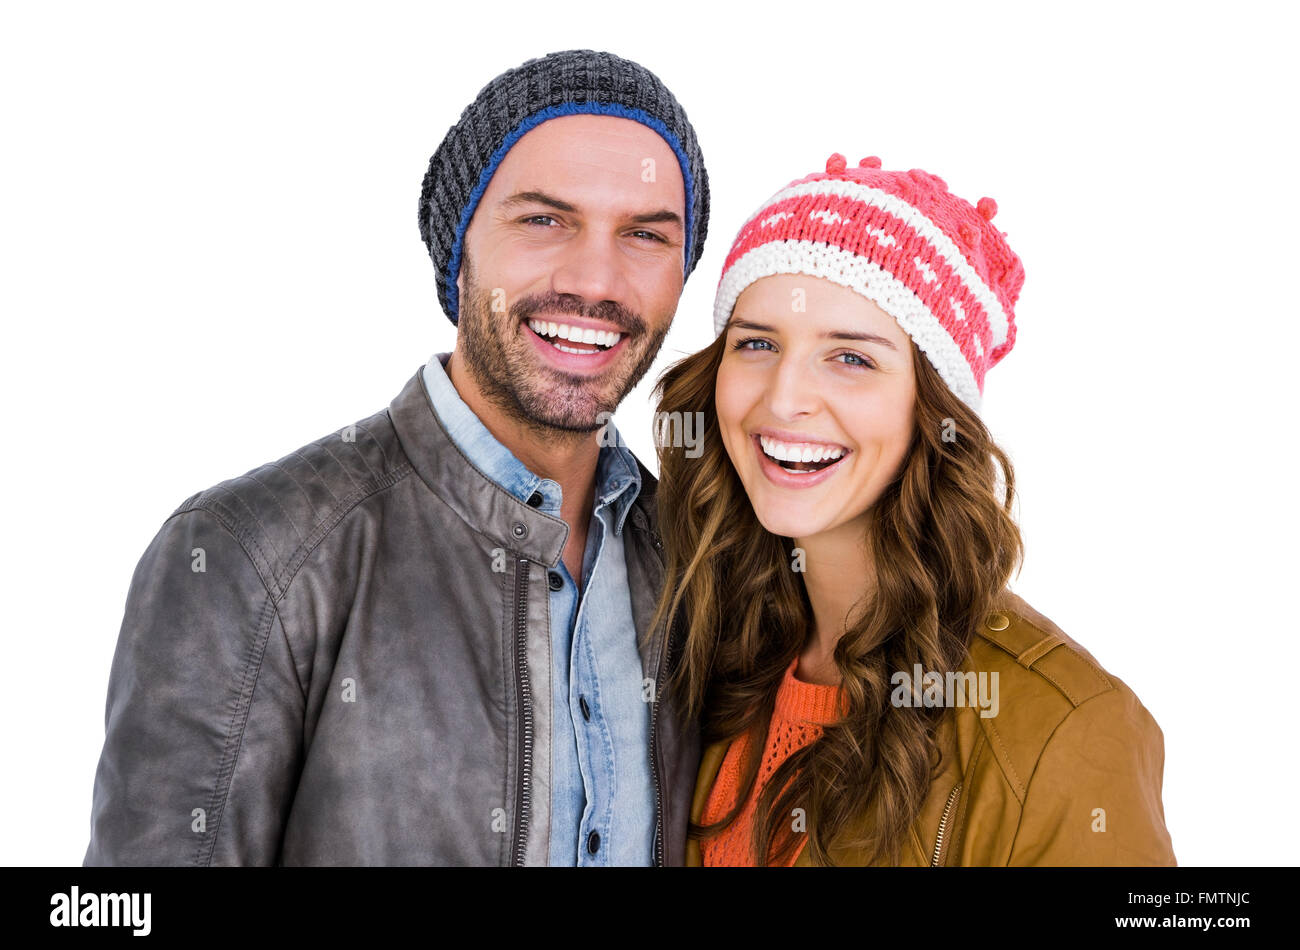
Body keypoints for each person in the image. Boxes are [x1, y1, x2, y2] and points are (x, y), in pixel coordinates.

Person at [82, 48, 708, 866]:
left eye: (645, 235)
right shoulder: (247, 552)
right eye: (544, 220)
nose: (595, 279)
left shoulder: (704, 562)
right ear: (460, 249)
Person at [650, 153, 1177, 866]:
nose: (782, 399)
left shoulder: (1064, 727)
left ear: (932, 409)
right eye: (757, 344)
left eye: (852, 358)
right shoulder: (700, 649)